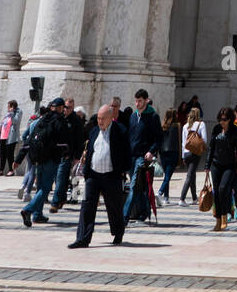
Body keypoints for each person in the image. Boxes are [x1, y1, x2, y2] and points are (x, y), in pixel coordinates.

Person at [68, 105, 129, 249]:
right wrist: (87, 172)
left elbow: (126, 152)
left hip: (111, 175)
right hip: (93, 176)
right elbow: (90, 151)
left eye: (103, 119)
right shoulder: (94, 131)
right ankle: (83, 238)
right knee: (87, 207)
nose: (100, 121)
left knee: (114, 207)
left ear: (111, 118)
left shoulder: (120, 131)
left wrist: (122, 171)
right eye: (99, 118)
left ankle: (118, 232)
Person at [20, 98, 71, 226]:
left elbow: (30, 137)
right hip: (51, 159)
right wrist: (66, 154)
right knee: (45, 188)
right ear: (59, 108)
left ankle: (37, 215)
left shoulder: (43, 119)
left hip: (39, 158)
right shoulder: (59, 120)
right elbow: (63, 140)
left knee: (41, 187)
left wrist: (19, 157)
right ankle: (28, 210)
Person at [123, 89, 163, 224]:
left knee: (134, 186)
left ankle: (124, 217)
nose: (137, 103)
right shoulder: (133, 117)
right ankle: (144, 213)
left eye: (140, 101)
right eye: (136, 100)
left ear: (146, 100)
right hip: (131, 156)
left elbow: (159, 138)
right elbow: (130, 136)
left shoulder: (153, 117)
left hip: (143, 157)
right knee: (141, 187)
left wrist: (151, 151)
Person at [206, 108, 237, 233]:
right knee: (216, 191)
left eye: (224, 119)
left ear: (229, 119)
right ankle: (218, 220)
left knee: (224, 189)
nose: (221, 122)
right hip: (216, 164)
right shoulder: (216, 129)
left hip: (229, 165)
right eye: (220, 119)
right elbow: (211, 148)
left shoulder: (234, 130)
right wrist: (207, 165)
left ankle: (225, 215)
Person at [49, 95, 84, 211]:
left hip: (68, 155)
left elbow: (80, 141)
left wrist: (77, 157)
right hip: (57, 154)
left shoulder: (76, 121)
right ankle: (62, 198)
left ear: (72, 108)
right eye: (65, 107)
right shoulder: (60, 118)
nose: (66, 109)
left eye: (69, 107)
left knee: (61, 178)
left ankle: (55, 203)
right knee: (60, 179)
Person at [180, 107, 207, 203]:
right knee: (190, 175)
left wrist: (183, 156)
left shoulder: (185, 126)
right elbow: (204, 139)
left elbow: (183, 142)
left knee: (192, 174)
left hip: (186, 153)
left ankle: (194, 197)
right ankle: (182, 198)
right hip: (195, 153)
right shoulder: (201, 124)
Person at [157, 107, 181, 203]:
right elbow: (179, 141)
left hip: (163, 153)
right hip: (173, 152)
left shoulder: (162, 126)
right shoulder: (177, 126)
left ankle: (166, 197)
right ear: (174, 115)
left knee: (166, 175)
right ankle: (160, 192)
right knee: (168, 177)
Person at [0, 100, 22, 175]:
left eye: (9, 106)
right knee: (2, 153)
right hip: (3, 135)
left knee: (10, 153)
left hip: (11, 136)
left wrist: (12, 112)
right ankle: (1, 170)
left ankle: (11, 170)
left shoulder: (18, 112)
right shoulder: (8, 113)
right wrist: (0, 126)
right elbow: (4, 121)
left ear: (12, 106)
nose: (7, 107)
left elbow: (16, 121)